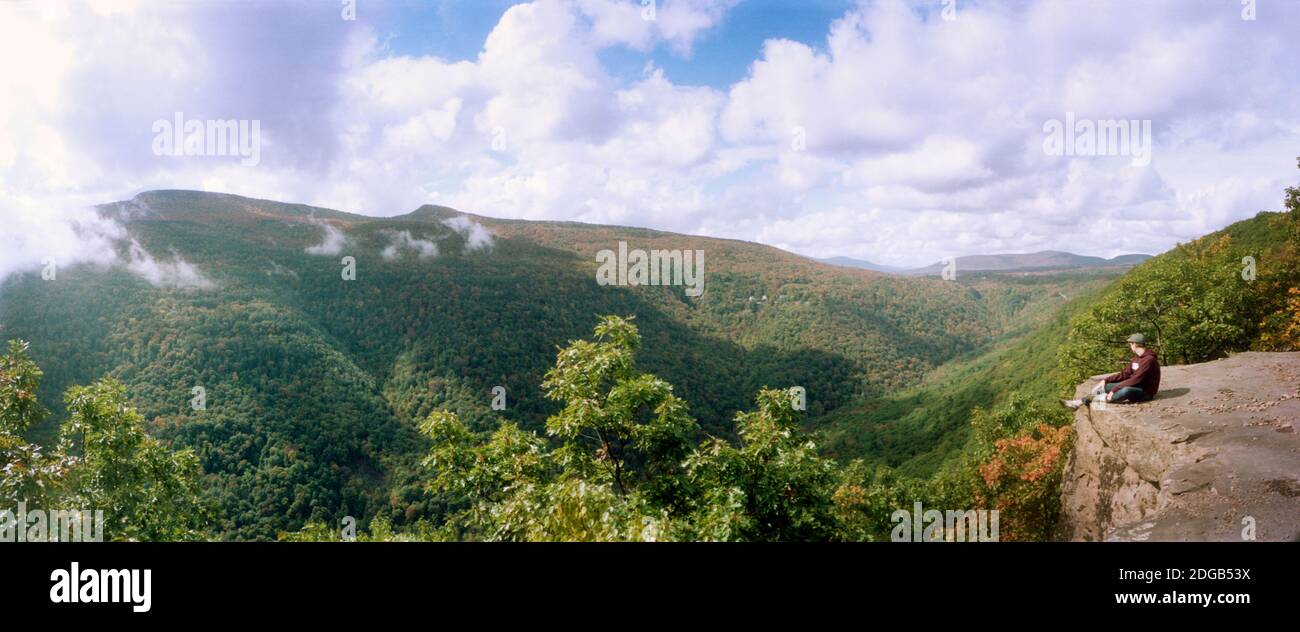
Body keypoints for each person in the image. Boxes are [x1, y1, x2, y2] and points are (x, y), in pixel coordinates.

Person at [1062, 333, 1160, 410]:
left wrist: (1115, 389)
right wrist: (1106, 380)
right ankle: (1078, 403)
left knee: (1126, 390)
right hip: (1136, 386)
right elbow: (1125, 374)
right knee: (1105, 387)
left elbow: (1136, 379)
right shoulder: (1137, 358)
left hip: (1145, 392)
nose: (1130, 346)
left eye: (1130, 344)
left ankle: (1101, 399)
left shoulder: (1149, 360)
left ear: (1135, 344)